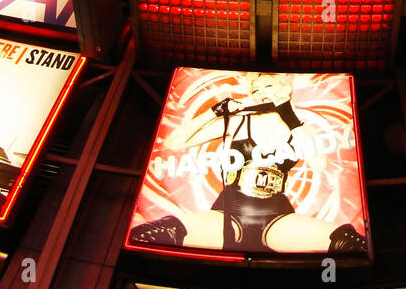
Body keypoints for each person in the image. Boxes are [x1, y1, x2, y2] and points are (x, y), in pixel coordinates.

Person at [128, 72, 367, 255]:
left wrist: (288, 114)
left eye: (268, 86)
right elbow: (175, 141)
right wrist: (213, 112)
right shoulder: (239, 122)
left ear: (286, 88)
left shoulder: (301, 128)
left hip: (278, 217)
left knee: (350, 244)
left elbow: (318, 163)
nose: (260, 92)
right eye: (255, 89)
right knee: (153, 234)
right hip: (228, 212)